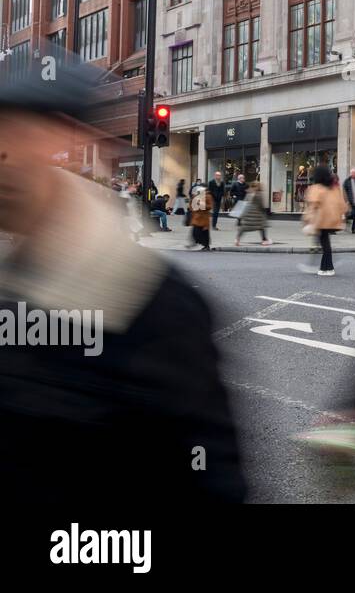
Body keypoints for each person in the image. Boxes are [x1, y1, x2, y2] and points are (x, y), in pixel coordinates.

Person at [0, 57, 246, 501]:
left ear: (58, 138)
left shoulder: (158, 308)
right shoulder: (13, 281)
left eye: (12, 133)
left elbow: (213, 482)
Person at [300, 165, 346, 277]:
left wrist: (307, 219)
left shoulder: (316, 188)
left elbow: (312, 206)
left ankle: (326, 267)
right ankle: (327, 267)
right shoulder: (335, 188)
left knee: (325, 244)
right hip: (332, 220)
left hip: (320, 221)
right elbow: (343, 205)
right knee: (326, 243)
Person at [235, 181, 272, 247]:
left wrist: (241, 216)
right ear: (258, 187)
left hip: (248, 214)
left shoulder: (249, 193)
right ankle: (264, 240)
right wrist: (265, 212)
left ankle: (237, 239)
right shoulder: (259, 194)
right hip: (257, 214)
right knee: (262, 227)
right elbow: (261, 205)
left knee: (243, 227)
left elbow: (244, 203)